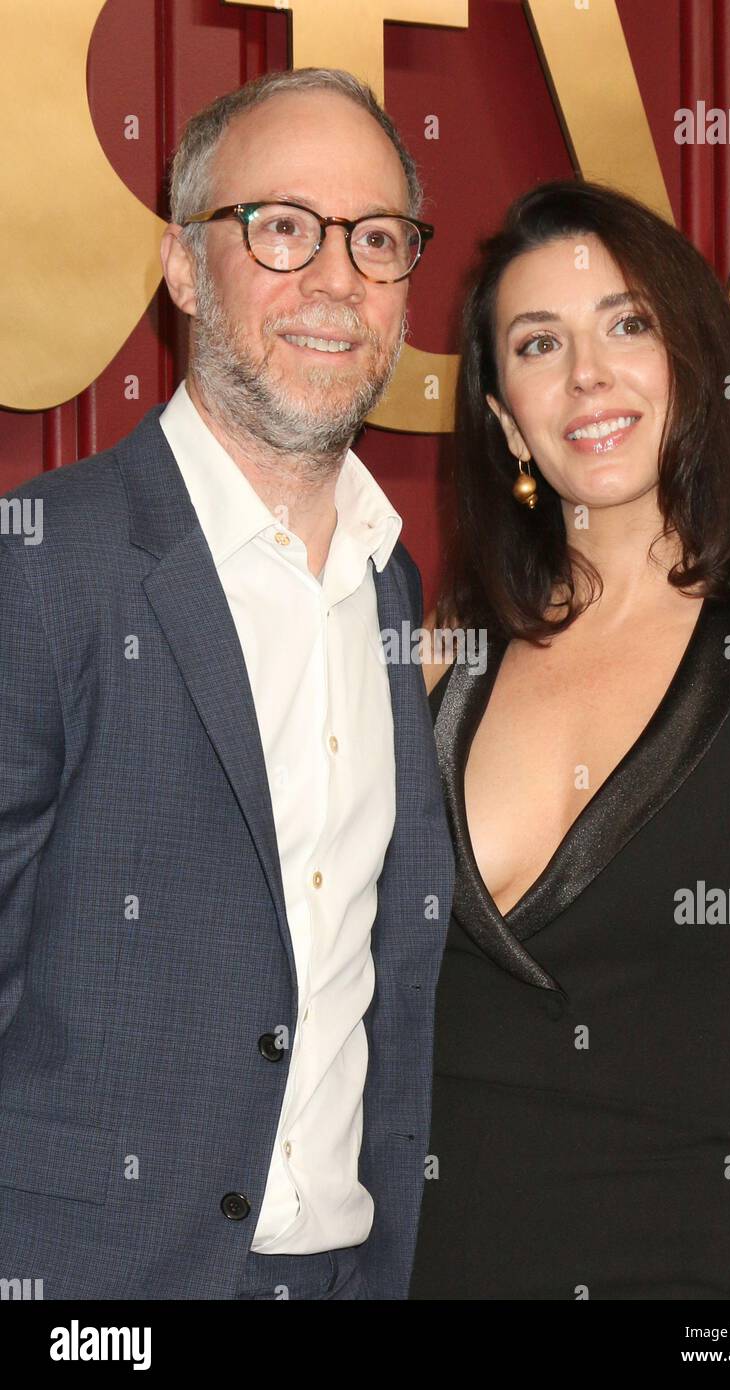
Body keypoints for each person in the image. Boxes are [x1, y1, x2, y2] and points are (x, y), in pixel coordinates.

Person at [0, 68, 453, 1300]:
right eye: (282, 227)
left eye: (375, 239)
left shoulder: (391, 584)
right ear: (186, 269)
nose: (336, 279)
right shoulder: (44, 561)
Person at [408, 179, 730, 1300]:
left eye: (626, 324)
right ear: (503, 413)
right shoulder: (427, 666)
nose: (586, 376)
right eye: (536, 343)